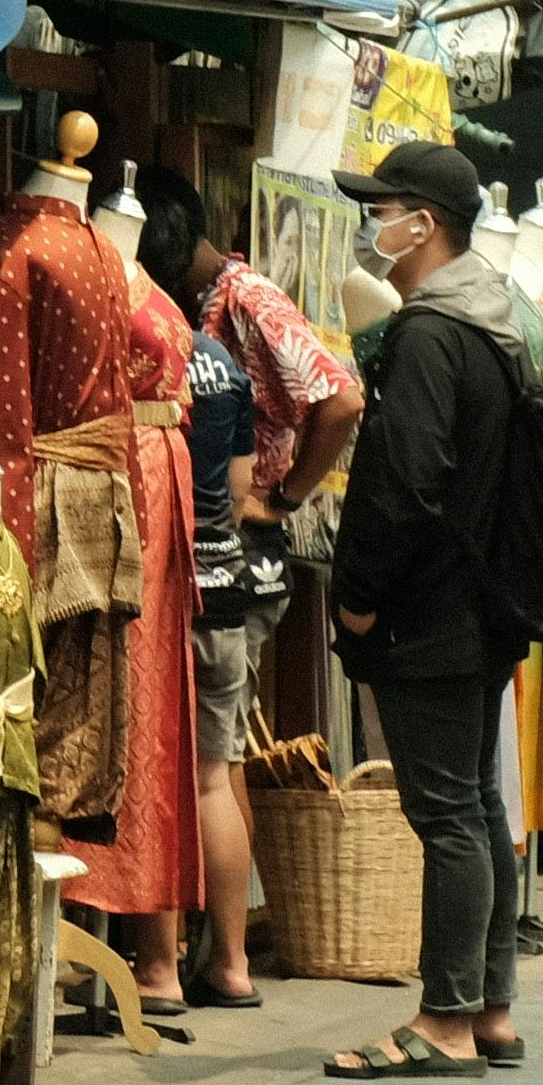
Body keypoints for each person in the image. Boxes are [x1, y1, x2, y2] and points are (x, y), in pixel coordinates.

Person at [319, 142, 530, 1077]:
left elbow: (400, 482)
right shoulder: (494, 325)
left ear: (426, 223)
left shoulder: (428, 335)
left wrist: (358, 600)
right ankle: (490, 1010)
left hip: (429, 610)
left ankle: (445, 1021)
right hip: (481, 604)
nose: (376, 223)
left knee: (447, 812)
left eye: (386, 206)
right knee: (476, 804)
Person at [141, 172, 357, 1014]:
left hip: (231, 555)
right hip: (240, 559)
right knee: (216, 761)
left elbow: (341, 400)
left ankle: (201, 959)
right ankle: (222, 958)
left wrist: (289, 494)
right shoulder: (210, 323)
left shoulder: (245, 300)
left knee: (198, 763)